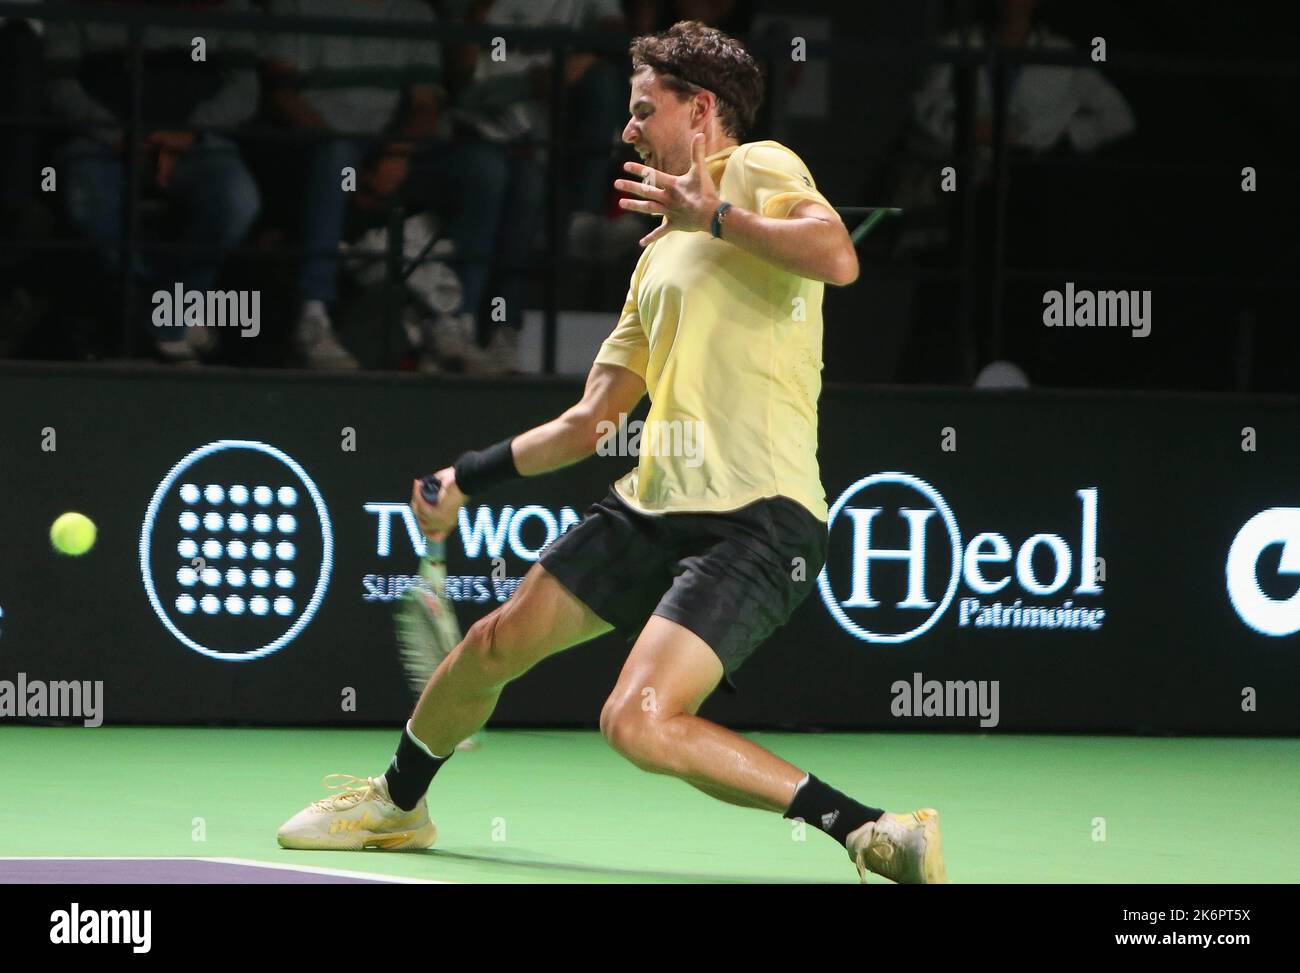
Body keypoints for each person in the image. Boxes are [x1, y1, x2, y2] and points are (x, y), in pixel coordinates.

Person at [276, 20, 947, 884]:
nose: (627, 129)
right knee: (491, 644)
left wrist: (714, 213)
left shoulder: (760, 167)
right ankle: (396, 805)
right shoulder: (657, 255)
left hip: (759, 517)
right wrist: (464, 476)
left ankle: (868, 829)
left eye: (643, 110)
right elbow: (590, 420)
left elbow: (838, 257)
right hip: (651, 504)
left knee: (636, 719)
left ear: (701, 111)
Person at [45, 0, 262, 365]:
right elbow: (57, 85)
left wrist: (187, 134)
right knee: (87, 197)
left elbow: (244, 90)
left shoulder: (230, 8)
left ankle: (162, 319)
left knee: (238, 199)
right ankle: (167, 312)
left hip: (199, 143)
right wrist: (120, 137)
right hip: (101, 142)